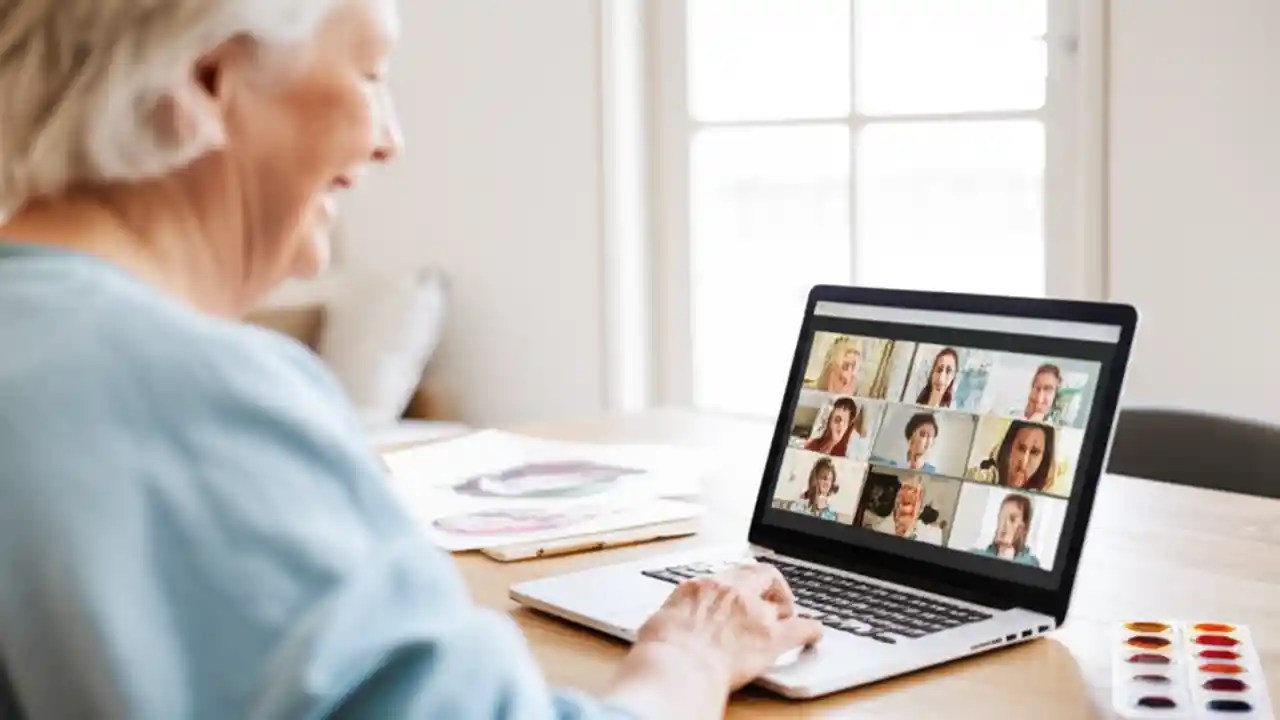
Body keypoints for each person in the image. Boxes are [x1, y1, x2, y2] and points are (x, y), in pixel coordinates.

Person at [0, 2, 822, 718]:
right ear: (208, 80)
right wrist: (688, 656)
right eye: (369, 73)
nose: (390, 140)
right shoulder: (194, 395)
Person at [969, 420, 1057, 492]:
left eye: (1034, 452)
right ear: (1009, 447)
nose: (1024, 462)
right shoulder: (982, 478)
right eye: (1021, 448)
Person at [971, 493, 1042, 567]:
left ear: (1023, 528)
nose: (1004, 525)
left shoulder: (1031, 564)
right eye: (1002, 517)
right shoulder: (975, 555)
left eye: (1012, 519)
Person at [872, 475, 943, 545]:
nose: (901, 508)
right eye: (899, 502)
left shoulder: (932, 536)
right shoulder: (881, 530)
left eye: (907, 503)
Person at [871, 412, 939, 474]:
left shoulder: (931, 472)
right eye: (923, 434)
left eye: (931, 436)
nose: (927, 440)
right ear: (911, 437)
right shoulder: (890, 464)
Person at [784, 457, 842, 521]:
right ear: (815, 479)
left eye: (830, 480)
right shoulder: (798, 506)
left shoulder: (832, 515)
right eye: (824, 478)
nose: (827, 483)